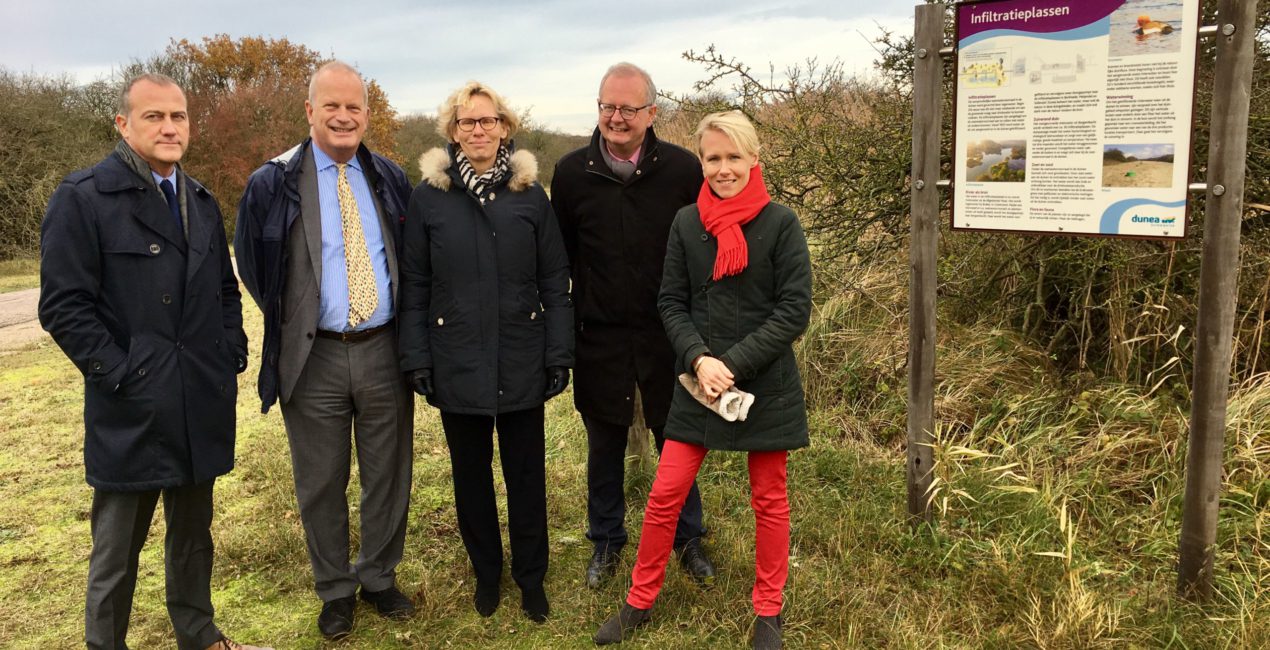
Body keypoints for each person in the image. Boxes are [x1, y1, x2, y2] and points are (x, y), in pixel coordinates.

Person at [38, 73, 267, 650]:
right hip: (132, 407)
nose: (169, 127)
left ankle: (199, 633)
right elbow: (64, 307)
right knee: (116, 550)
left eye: (178, 116)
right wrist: (120, 373)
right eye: (153, 117)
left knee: (193, 536)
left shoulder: (200, 200)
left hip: (198, 397)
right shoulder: (84, 197)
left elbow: (223, 288)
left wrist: (229, 350)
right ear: (123, 123)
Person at [593, 111, 812, 650]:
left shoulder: (782, 223)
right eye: (713, 158)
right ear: (702, 163)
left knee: (769, 499)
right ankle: (640, 601)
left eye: (734, 157)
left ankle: (769, 611)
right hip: (697, 382)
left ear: (754, 159)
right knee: (665, 494)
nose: (723, 168)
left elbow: (793, 311)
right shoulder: (688, 223)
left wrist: (729, 364)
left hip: (762, 384)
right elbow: (671, 301)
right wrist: (696, 357)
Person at [234, 61, 415, 640]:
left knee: (388, 474)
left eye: (354, 107)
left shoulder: (388, 175)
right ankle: (335, 589)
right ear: (309, 111)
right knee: (320, 481)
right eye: (331, 106)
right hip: (313, 358)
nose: (343, 117)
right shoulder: (274, 181)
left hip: (384, 349)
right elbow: (254, 265)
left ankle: (380, 578)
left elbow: (406, 257)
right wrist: (298, 320)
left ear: (367, 113)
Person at [398, 81, 573, 623]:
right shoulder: (428, 197)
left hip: (522, 356)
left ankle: (531, 578)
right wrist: (417, 358)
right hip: (458, 362)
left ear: (504, 126)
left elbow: (554, 278)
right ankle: (487, 575)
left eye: (488, 120)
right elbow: (416, 283)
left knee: (526, 478)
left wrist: (558, 353)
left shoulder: (530, 195)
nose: (478, 130)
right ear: (452, 131)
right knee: (470, 478)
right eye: (467, 122)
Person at [551, 62, 716, 589]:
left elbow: (703, 248)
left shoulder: (683, 170)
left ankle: (688, 537)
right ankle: (606, 539)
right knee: (604, 442)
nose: (616, 118)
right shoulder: (572, 173)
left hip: (668, 332)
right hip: (598, 334)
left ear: (652, 113)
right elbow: (565, 255)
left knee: (678, 438)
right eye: (607, 106)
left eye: (627, 108)